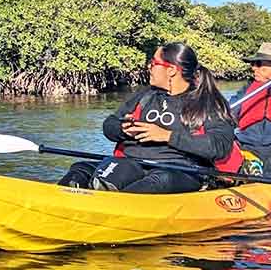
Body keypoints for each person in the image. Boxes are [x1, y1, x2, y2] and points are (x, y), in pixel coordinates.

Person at [58, 42, 236, 193]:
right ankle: (60, 204)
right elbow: (109, 124)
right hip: (132, 163)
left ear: (172, 70)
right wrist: (123, 129)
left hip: (178, 170)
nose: (148, 67)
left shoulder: (209, 103)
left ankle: (113, 208)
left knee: (161, 179)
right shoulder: (145, 95)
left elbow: (220, 146)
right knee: (81, 168)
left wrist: (167, 136)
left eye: (153, 63)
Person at [228, 42, 271, 175]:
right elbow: (229, 113)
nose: (253, 68)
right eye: (253, 64)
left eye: (259, 64)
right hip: (244, 143)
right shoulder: (247, 90)